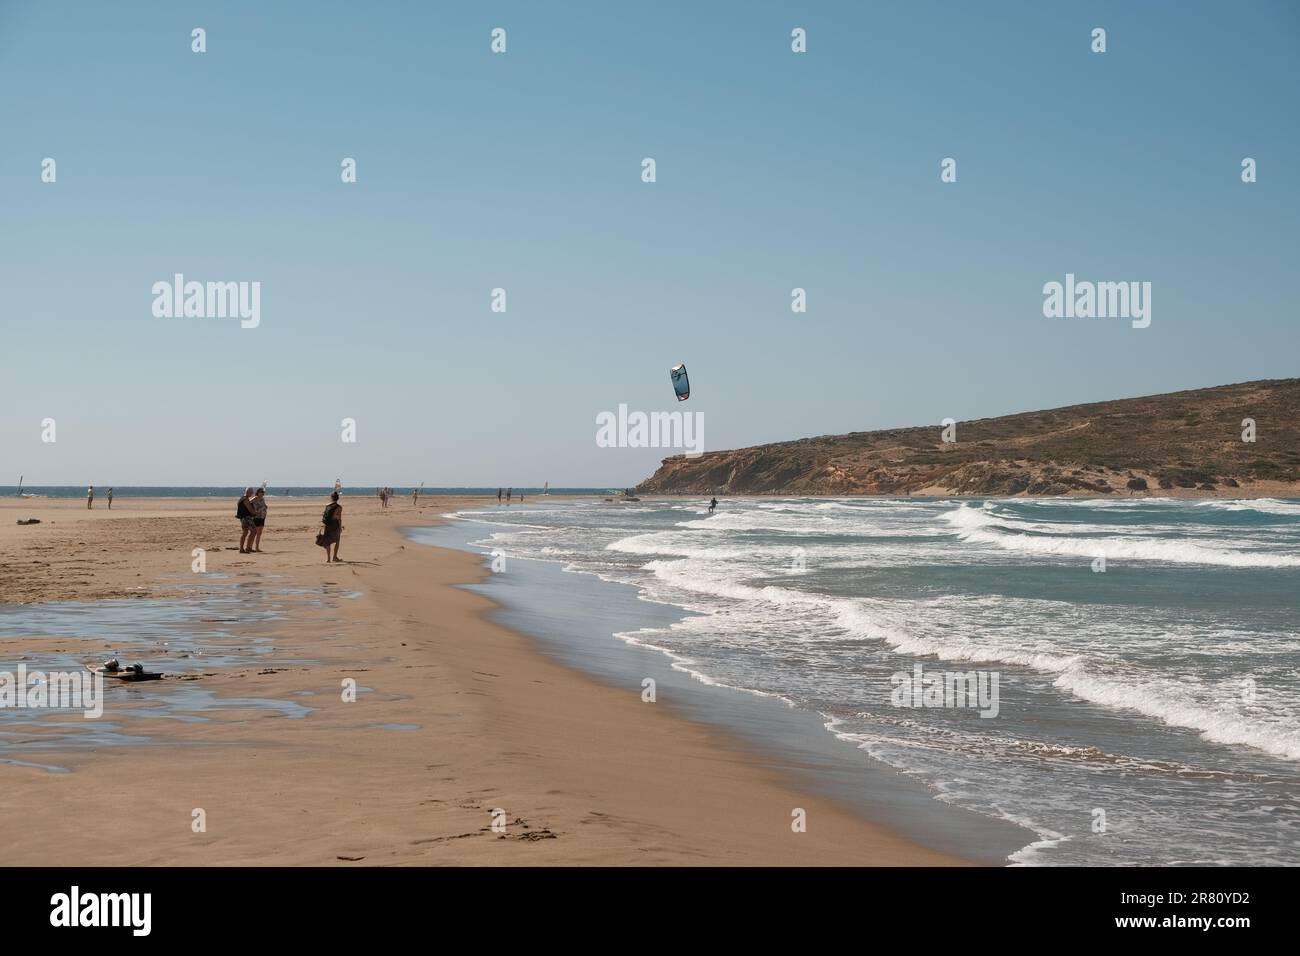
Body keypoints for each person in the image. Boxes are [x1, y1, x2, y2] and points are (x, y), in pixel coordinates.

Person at [319, 491, 343, 563]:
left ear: (331, 498)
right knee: (337, 541)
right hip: (335, 525)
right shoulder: (339, 507)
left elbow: (324, 515)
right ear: (338, 498)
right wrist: (340, 526)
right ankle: (335, 557)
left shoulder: (327, 506)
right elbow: (339, 518)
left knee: (328, 542)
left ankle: (328, 559)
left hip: (327, 525)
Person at [237, 487, 256, 553]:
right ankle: (247, 547)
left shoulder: (242, 498)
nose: (252, 494)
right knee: (253, 531)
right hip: (246, 518)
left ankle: (242, 548)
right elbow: (250, 510)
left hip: (243, 518)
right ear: (248, 492)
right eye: (251, 492)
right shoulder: (245, 499)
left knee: (245, 533)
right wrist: (257, 512)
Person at [250, 487, 268, 552]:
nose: (263, 493)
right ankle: (250, 547)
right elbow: (248, 503)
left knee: (259, 533)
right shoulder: (255, 498)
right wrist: (254, 510)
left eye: (263, 492)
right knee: (254, 533)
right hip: (256, 517)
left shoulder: (262, 499)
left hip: (262, 517)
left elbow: (264, 505)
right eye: (261, 492)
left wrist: (265, 507)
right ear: (258, 492)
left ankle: (257, 547)